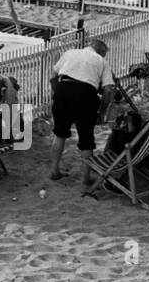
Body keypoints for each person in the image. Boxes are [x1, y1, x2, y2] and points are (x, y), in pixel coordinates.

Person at [49, 39, 116, 184]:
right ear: (101, 52)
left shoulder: (70, 53)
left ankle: (54, 171)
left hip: (63, 88)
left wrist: (56, 93)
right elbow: (109, 90)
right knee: (86, 138)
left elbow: (53, 77)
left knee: (59, 133)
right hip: (85, 94)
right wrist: (102, 111)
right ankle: (86, 177)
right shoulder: (101, 61)